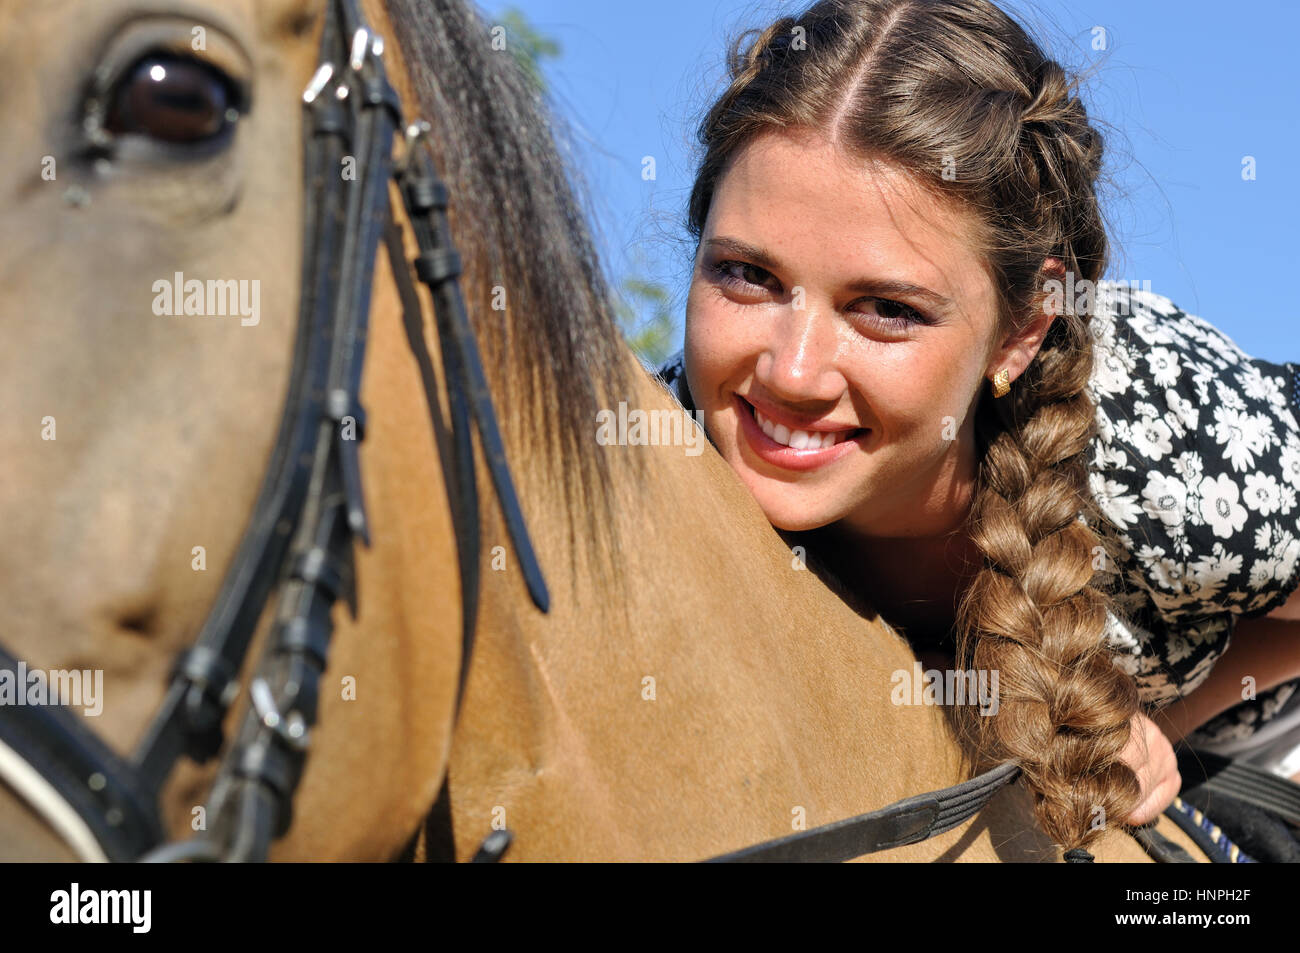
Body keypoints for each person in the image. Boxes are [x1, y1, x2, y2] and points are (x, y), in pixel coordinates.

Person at [654, 0, 1300, 858]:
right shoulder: (671, 440)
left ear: (1022, 331)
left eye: (886, 308)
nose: (791, 372)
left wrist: (1157, 722)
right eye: (746, 274)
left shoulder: (1166, 453)